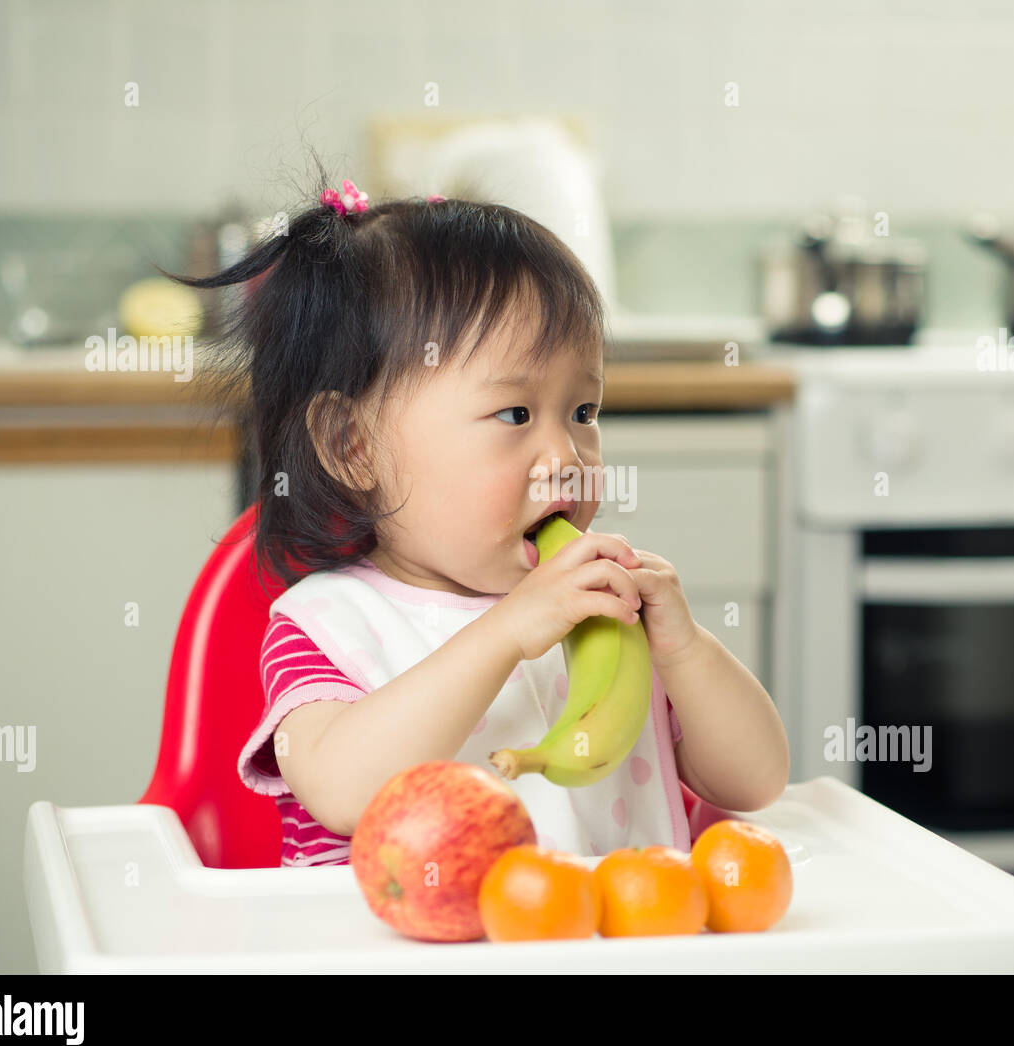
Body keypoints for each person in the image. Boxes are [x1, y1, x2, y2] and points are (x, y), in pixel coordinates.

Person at [165, 161, 790, 867]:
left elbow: (759, 781)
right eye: (514, 413)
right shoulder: (327, 626)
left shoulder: (605, 614)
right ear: (352, 445)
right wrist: (506, 633)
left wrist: (687, 651)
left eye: (583, 411)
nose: (564, 454)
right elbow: (342, 789)